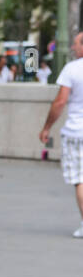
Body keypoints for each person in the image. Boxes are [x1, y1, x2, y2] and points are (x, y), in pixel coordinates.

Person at [37, 30, 83, 237]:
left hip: (76, 132)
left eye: (76, 44)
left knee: (81, 180)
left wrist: (47, 127)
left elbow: (60, 102)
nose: (73, 48)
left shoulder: (72, 69)